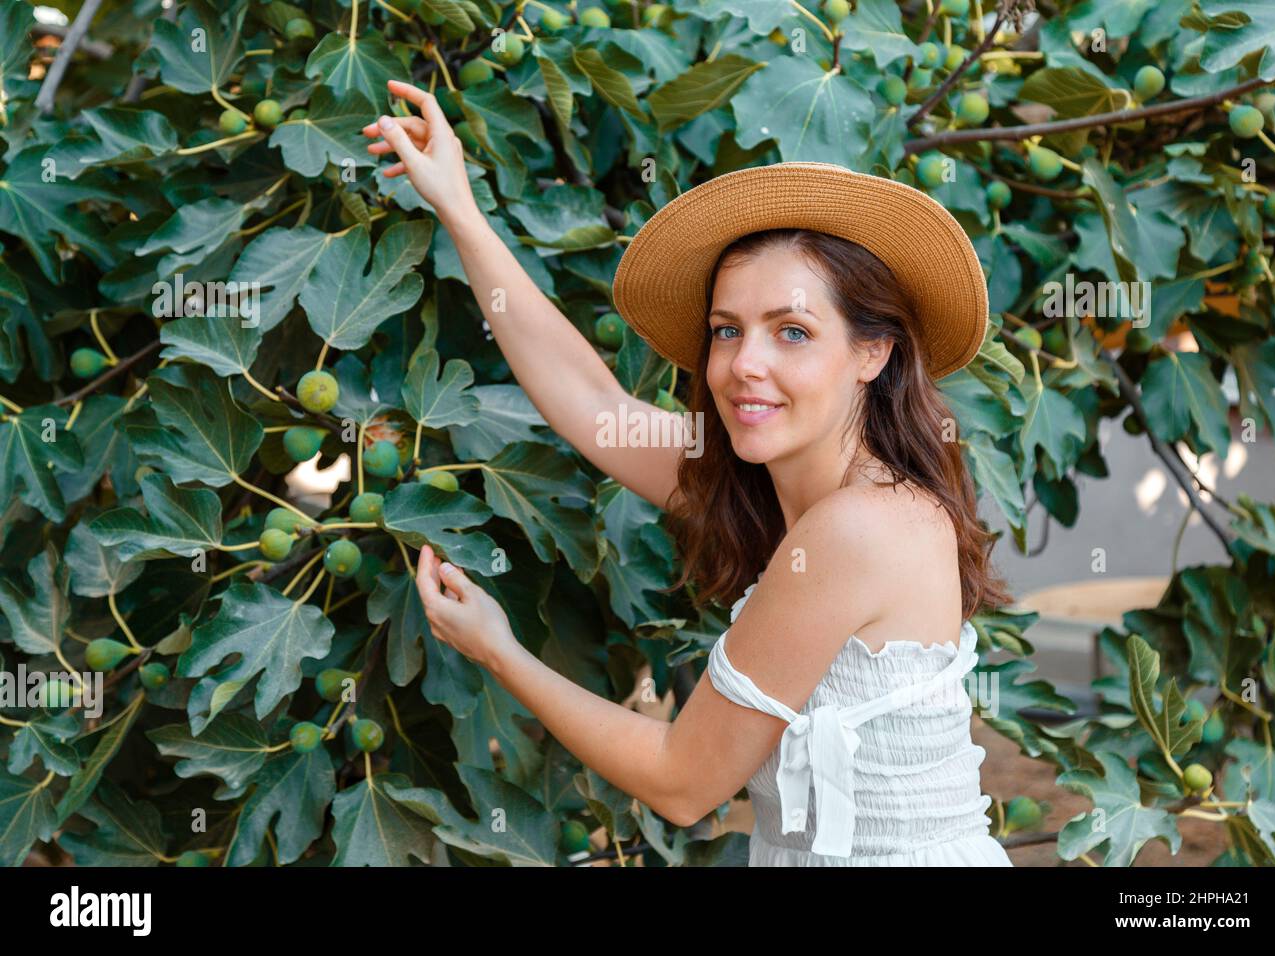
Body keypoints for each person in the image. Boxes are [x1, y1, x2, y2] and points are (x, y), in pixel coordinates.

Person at [364, 79, 1016, 865]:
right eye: (727, 330)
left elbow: (683, 780)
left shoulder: (860, 526)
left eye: (794, 333)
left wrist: (498, 648)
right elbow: (587, 399)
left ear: (872, 353)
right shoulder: (782, 482)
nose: (747, 365)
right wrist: (459, 209)